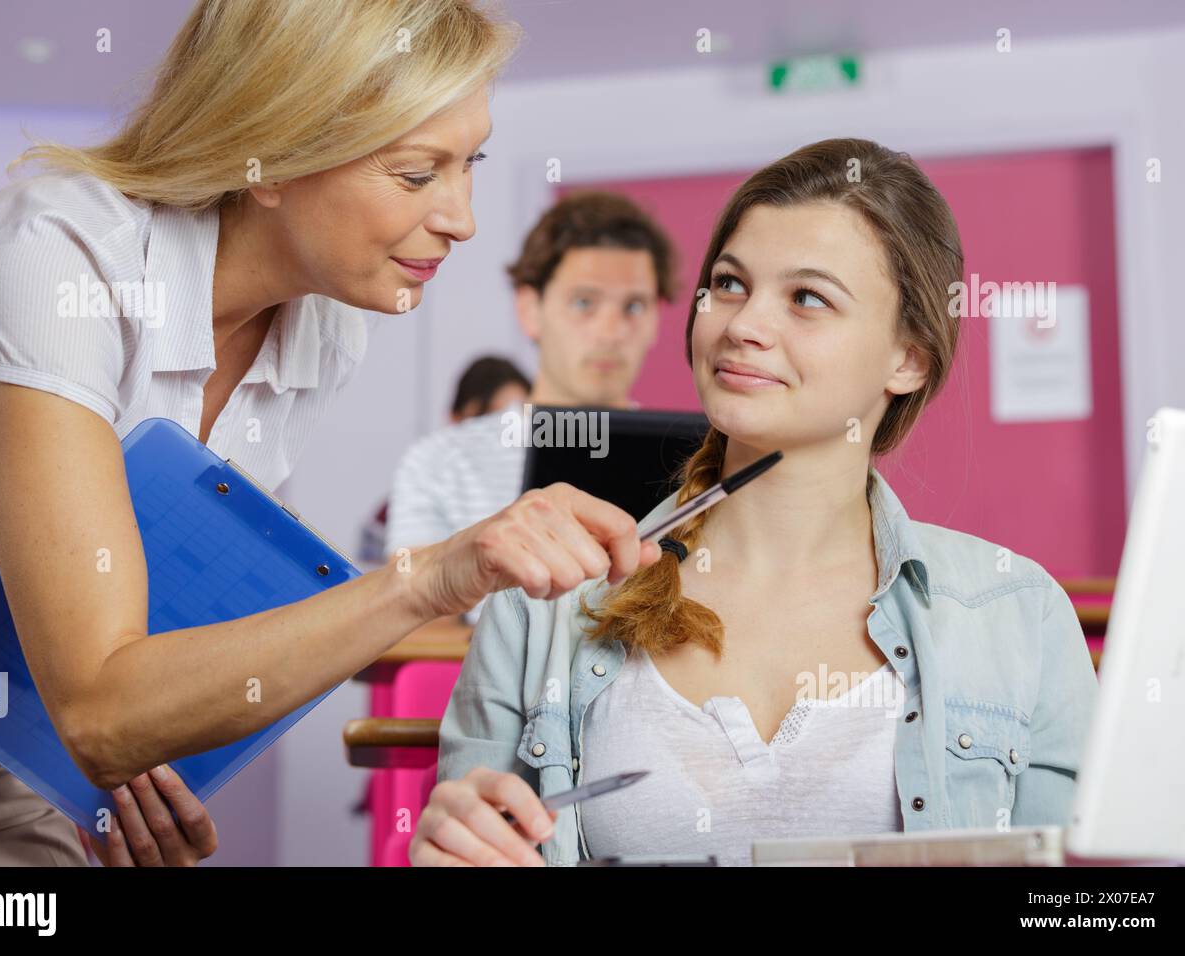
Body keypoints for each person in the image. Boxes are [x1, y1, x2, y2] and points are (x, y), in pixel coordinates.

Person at [0, 0, 660, 867]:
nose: (463, 217)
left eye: (471, 164)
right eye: (418, 175)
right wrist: (432, 577)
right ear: (268, 156)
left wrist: (126, 749)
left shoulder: (328, 322)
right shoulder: (57, 261)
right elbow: (100, 707)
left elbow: (125, 665)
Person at [411, 138, 1099, 867]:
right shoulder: (541, 608)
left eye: (807, 298)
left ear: (909, 358)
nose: (741, 325)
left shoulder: (1020, 615)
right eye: (730, 284)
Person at [384, 191, 677, 620]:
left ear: (655, 320)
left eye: (634, 306)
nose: (612, 331)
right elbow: (406, 618)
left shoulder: (690, 464)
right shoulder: (441, 462)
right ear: (529, 309)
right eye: (584, 303)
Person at [358, 356, 530, 566]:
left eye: (516, 419)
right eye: (489, 417)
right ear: (454, 418)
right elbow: (394, 572)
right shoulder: (401, 502)